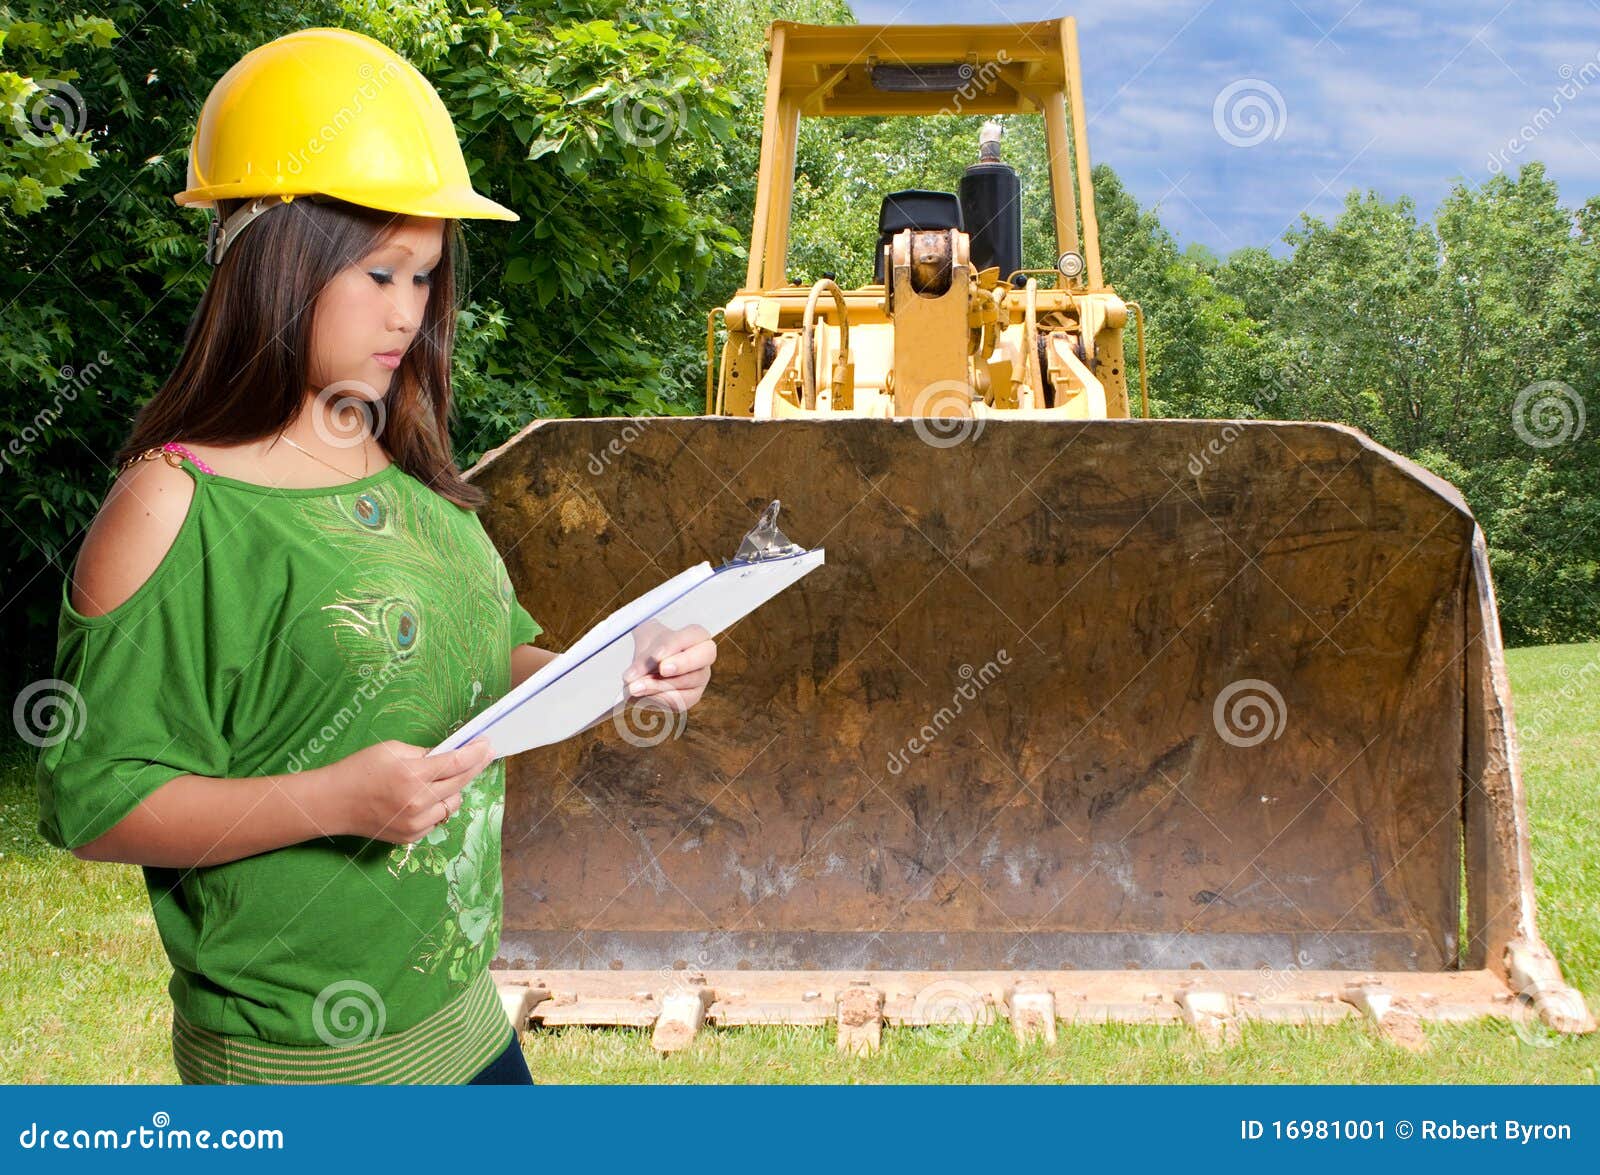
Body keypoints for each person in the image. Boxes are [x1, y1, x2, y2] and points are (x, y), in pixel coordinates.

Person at [31, 26, 717, 1085]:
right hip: (303, 1072)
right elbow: (94, 802)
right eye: (380, 271)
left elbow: (485, 673)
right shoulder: (173, 505)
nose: (410, 311)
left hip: (469, 1027)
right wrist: (337, 801)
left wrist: (624, 670)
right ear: (272, 259)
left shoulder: (410, 481)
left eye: (427, 276)